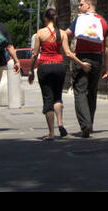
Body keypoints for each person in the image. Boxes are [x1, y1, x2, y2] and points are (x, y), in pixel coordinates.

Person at [28, 8, 80, 140]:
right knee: (57, 96)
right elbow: (67, 53)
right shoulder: (62, 33)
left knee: (48, 99)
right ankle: (60, 123)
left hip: (44, 66)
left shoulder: (40, 33)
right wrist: (81, 63)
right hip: (59, 66)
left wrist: (31, 70)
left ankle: (51, 133)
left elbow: (34, 54)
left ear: (46, 18)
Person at [66, 0, 108, 138]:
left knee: (80, 91)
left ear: (89, 5)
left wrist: (67, 50)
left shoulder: (80, 19)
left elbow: (67, 35)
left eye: (81, 5)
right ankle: (90, 124)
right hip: (97, 58)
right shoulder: (104, 22)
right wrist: (106, 65)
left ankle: (85, 124)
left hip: (81, 57)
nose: (79, 7)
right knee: (92, 91)